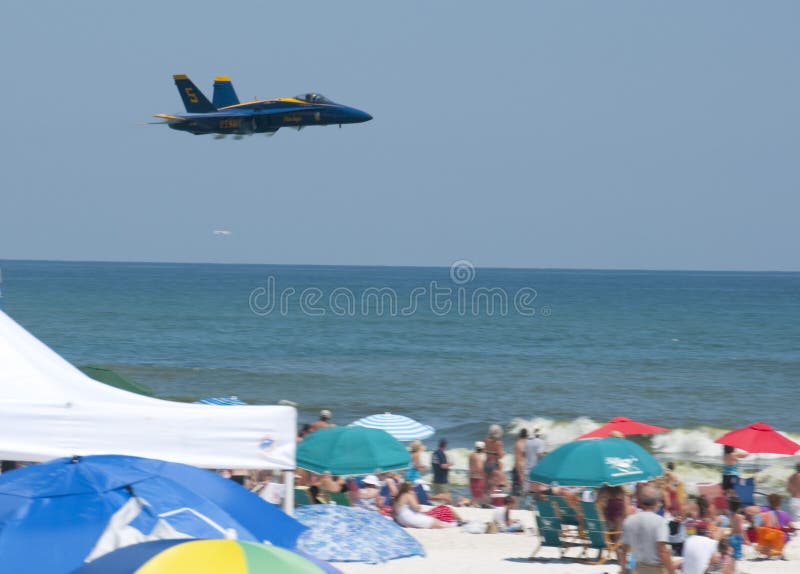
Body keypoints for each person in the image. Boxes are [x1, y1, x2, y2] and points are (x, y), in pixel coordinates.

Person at [619, 486, 677, 574]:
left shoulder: (629, 520)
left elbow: (623, 550)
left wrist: (623, 570)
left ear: (641, 502)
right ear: (657, 503)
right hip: (656, 569)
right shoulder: (660, 522)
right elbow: (662, 551)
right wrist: (672, 572)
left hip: (637, 568)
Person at [430, 438, 453, 503]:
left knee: (438, 499)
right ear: (445, 445)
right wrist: (450, 464)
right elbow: (443, 466)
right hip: (442, 480)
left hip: (436, 479)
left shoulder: (434, 453)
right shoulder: (441, 454)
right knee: (447, 499)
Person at [484, 424, 505, 494]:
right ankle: (497, 498)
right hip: (494, 465)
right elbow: (500, 456)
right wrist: (503, 454)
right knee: (496, 484)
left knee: (487, 485)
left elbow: (484, 451)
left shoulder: (486, 440)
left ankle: (486, 499)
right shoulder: (498, 443)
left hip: (486, 464)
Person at [469, 441, 487, 506]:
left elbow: (471, 466)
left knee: (475, 495)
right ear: (482, 448)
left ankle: (473, 505)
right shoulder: (479, 456)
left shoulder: (471, 455)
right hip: (479, 478)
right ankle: (484, 505)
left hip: (471, 477)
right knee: (481, 494)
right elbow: (479, 468)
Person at [512, 429, 528, 497]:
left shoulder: (518, 443)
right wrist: (520, 474)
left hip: (520, 469)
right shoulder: (521, 444)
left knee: (519, 492)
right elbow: (518, 460)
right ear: (526, 435)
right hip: (520, 469)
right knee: (518, 492)